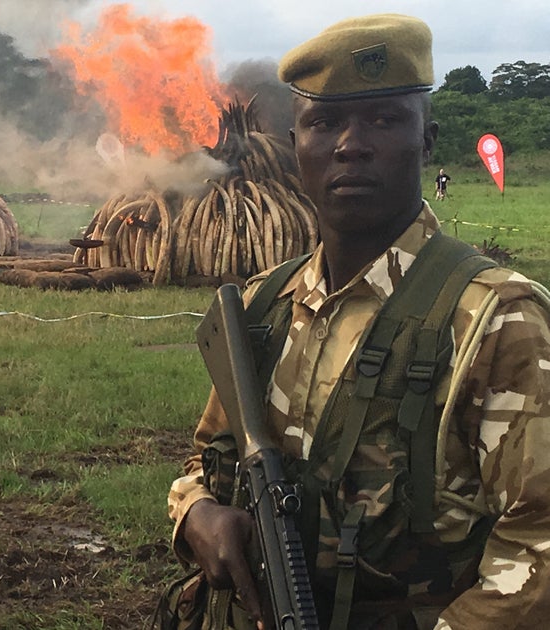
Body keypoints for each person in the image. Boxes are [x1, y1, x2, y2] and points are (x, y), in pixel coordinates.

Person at [166, 14, 550, 630]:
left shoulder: (495, 319)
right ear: (296, 148)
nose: (351, 143)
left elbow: (539, 544)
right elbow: (205, 459)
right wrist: (198, 514)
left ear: (427, 140)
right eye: (323, 122)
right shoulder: (265, 302)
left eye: (384, 119)